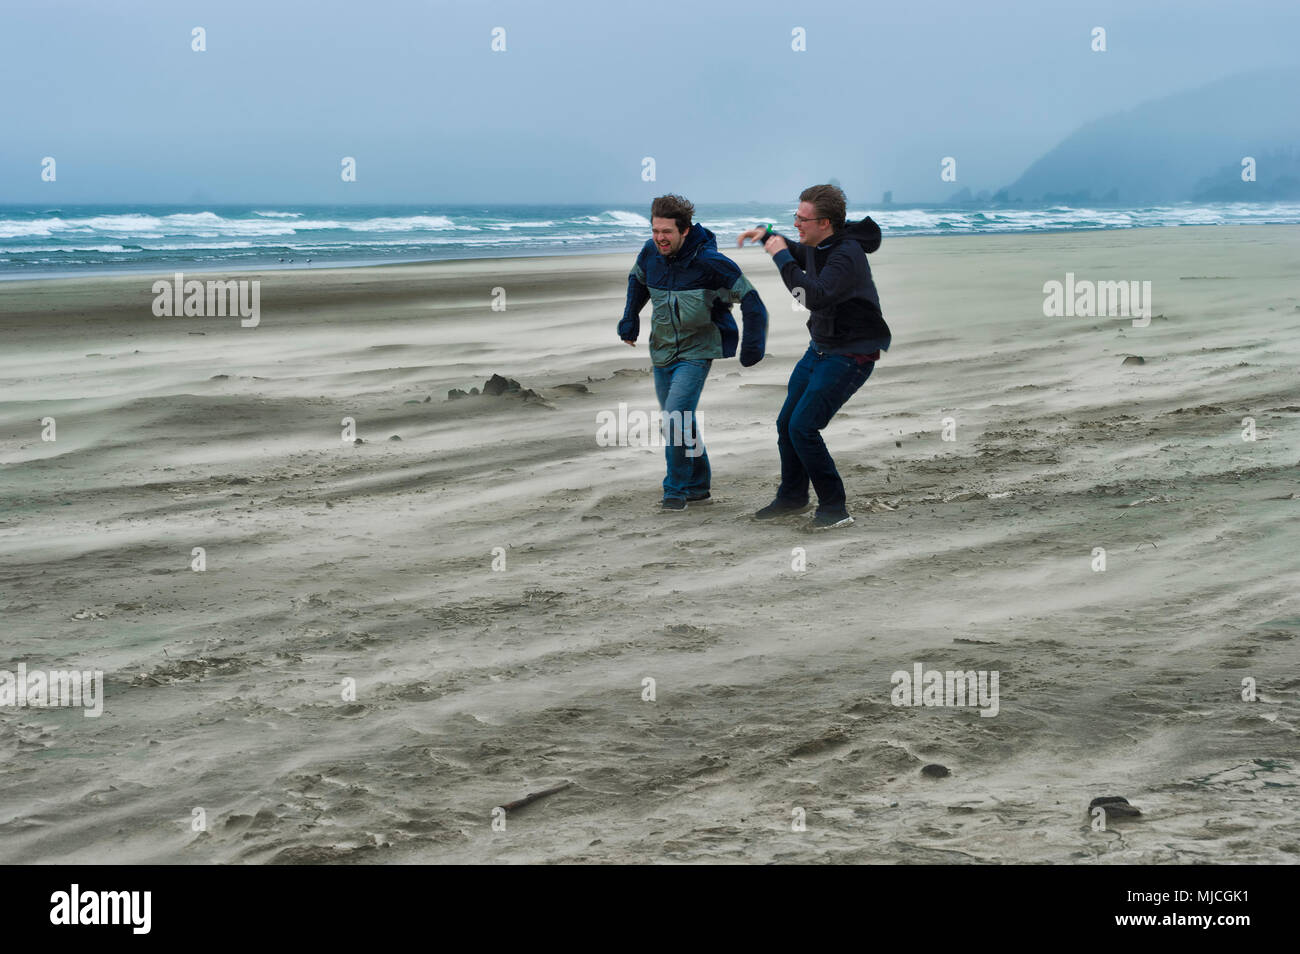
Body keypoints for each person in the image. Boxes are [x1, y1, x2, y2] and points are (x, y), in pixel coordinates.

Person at [737, 184, 890, 530]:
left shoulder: (845, 255)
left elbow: (813, 296)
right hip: (819, 348)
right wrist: (768, 235)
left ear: (825, 223)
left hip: (851, 354)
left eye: (803, 220)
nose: (796, 225)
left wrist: (779, 256)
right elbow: (797, 249)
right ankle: (792, 497)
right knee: (786, 425)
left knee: (804, 428)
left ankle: (835, 508)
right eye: (795, 217)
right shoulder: (819, 244)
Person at [619, 194, 768, 511]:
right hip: (661, 350)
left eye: (667, 232)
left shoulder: (710, 263)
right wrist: (629, 319)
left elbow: (752, 299)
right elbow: (638, 279)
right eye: (655, 230)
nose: (659, 238)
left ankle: (674, 490)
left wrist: (752, 347)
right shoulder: (650, 252)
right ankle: (698, 486)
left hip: (697, 350)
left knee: (673, 418)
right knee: (681, 418)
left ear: (684, 231)